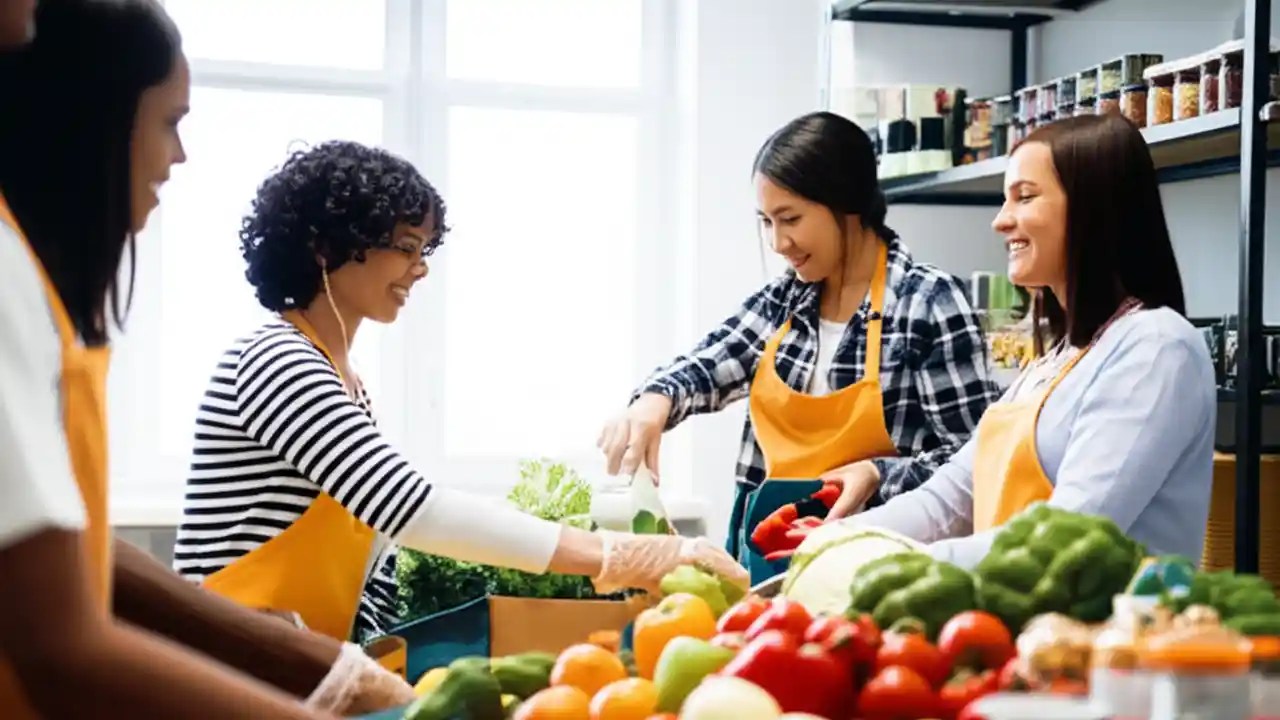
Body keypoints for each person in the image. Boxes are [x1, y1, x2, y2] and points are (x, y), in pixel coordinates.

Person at [0, 1, 413, 717]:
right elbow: (58, 641)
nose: (180, 155)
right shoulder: (274, 357)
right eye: (170, 121)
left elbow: (68, 557)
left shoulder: (36, 289)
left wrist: (321, 663)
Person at [172, 139, 749, 642]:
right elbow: (409, 507)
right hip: (226, 653)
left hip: (286, 655)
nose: (419, 269)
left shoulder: (345, 383)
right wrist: (619, 556)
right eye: (404, 245)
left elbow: (371, 556)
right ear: (327, 246)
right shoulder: (277, 361)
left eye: (424, 250)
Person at [598, 111, 997, 583]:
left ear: (847, 202)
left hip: (877, 569)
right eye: (766, 221)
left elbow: (976, 458)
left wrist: (880, 474)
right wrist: (653, 401)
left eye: (790, 219)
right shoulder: (785, 301)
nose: (778, 242)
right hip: (763, 560)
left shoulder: (927, 303)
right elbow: (707, 365)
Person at [821, 113, 1216, 567]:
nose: (1000, 221)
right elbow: (951, 497)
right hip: (1026, 623)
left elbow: (1065, 538)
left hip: (1116, 633)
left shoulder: (1156, 348)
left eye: (1024, 198)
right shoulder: (1057, 358)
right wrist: (837, 540)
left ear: (1093, 207)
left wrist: (882, 563)